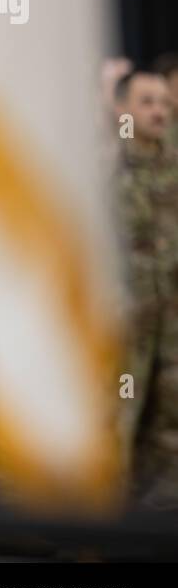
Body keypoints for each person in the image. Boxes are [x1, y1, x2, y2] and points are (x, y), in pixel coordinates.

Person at [112, 70, 178, 509]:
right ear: (121, 110)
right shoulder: (104, 169)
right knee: (117, 419)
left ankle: (159, 517)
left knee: (170, 417)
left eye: (163, 103)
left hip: (171, 318)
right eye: (147, 101)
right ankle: (95, 529)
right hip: (125, 320)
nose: (158, 111)